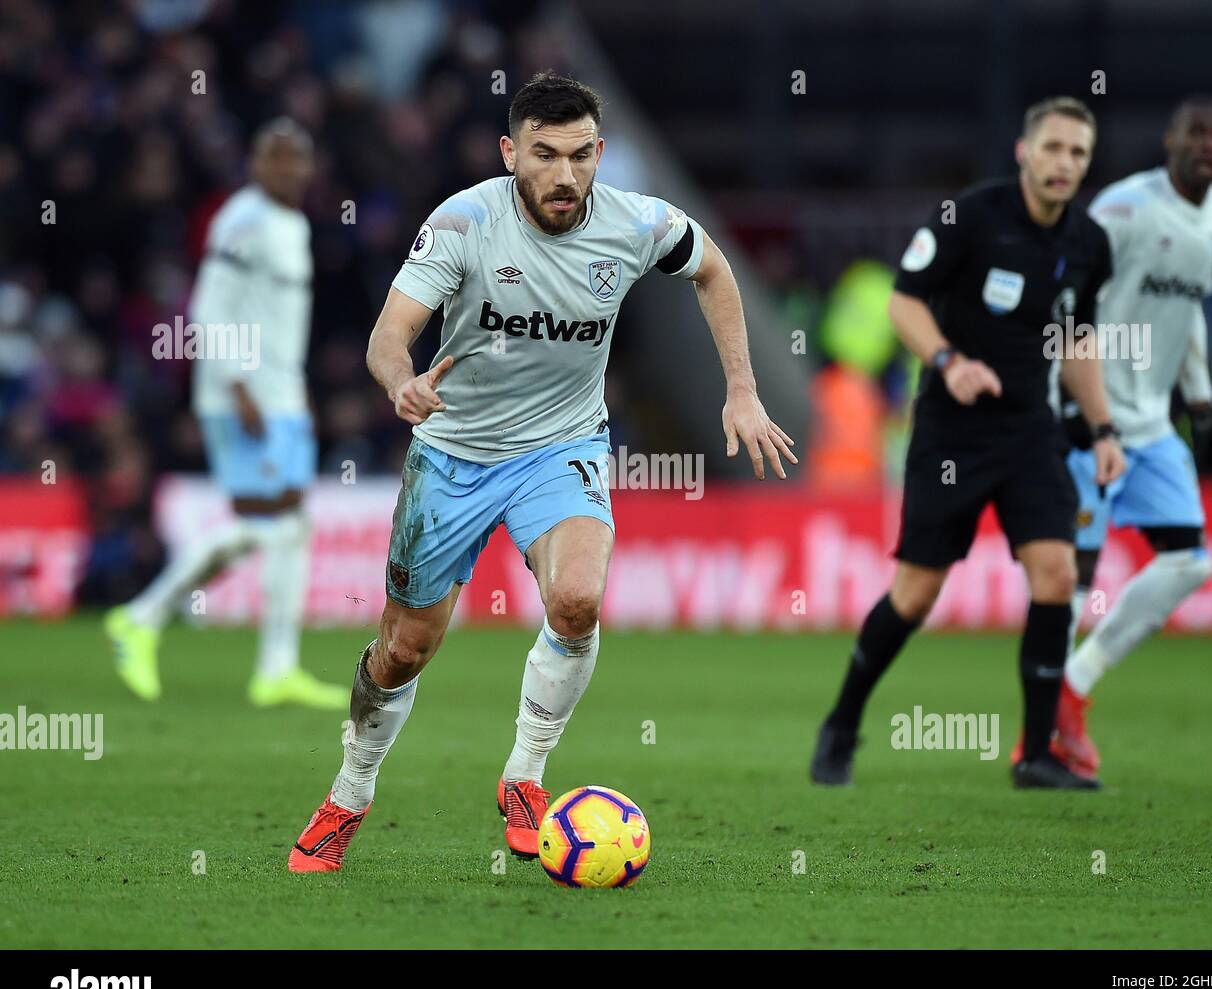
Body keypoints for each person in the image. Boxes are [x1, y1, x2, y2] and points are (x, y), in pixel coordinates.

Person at [287, 72, 797, 872]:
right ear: (510, 152)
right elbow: (389, 337)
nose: (566, 175)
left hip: (561, 449)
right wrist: (402, 383)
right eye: (546, 155)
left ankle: (525, 774)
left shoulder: (636, 223)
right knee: (404, 649)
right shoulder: (463, 222)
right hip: (452, 454)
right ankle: (350, 792)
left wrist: (741, 389)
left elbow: (714, 269)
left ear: (600, 151)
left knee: (577, 598)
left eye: (582, 154)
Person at [811, 97, 1123, 791]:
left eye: (1078, 152)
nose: (1064, 163)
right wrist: (950, 361)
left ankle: (1036, 753)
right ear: (1025, 151)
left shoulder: (1089, 244)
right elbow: (904, 300)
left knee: (1057, 575)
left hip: (1030, 430)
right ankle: (842, 720)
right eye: (1053, 148)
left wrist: (1103, 427)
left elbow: (1077, 341)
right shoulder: (971, 217)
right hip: (952, 431)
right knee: (917, 594)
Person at [1017, 98, 1212, 778]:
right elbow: (1066, 288)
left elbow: (1188, 305)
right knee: (1071, 581)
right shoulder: (1124, 208)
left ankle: (1073, 687)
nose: (1208, 145)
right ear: (1168, 138)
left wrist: (1199, 404)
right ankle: (1039, 732)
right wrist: (1060, 392)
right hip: (1088, 411)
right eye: (1196, 132)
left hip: (1150, 421)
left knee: (1190, 561)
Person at [105, 119, 347, 710]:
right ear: (256, 164)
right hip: (242, 397)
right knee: (273, 524)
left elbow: (274, 320)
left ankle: (276, 668)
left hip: (279, 395)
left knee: (288, 528)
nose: (287, 169)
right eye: (275, 158)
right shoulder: (242, 219)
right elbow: (210, 310)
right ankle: (142, 616)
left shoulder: (290, 224)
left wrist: (294, 388)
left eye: (297, 159)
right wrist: (240, 386)